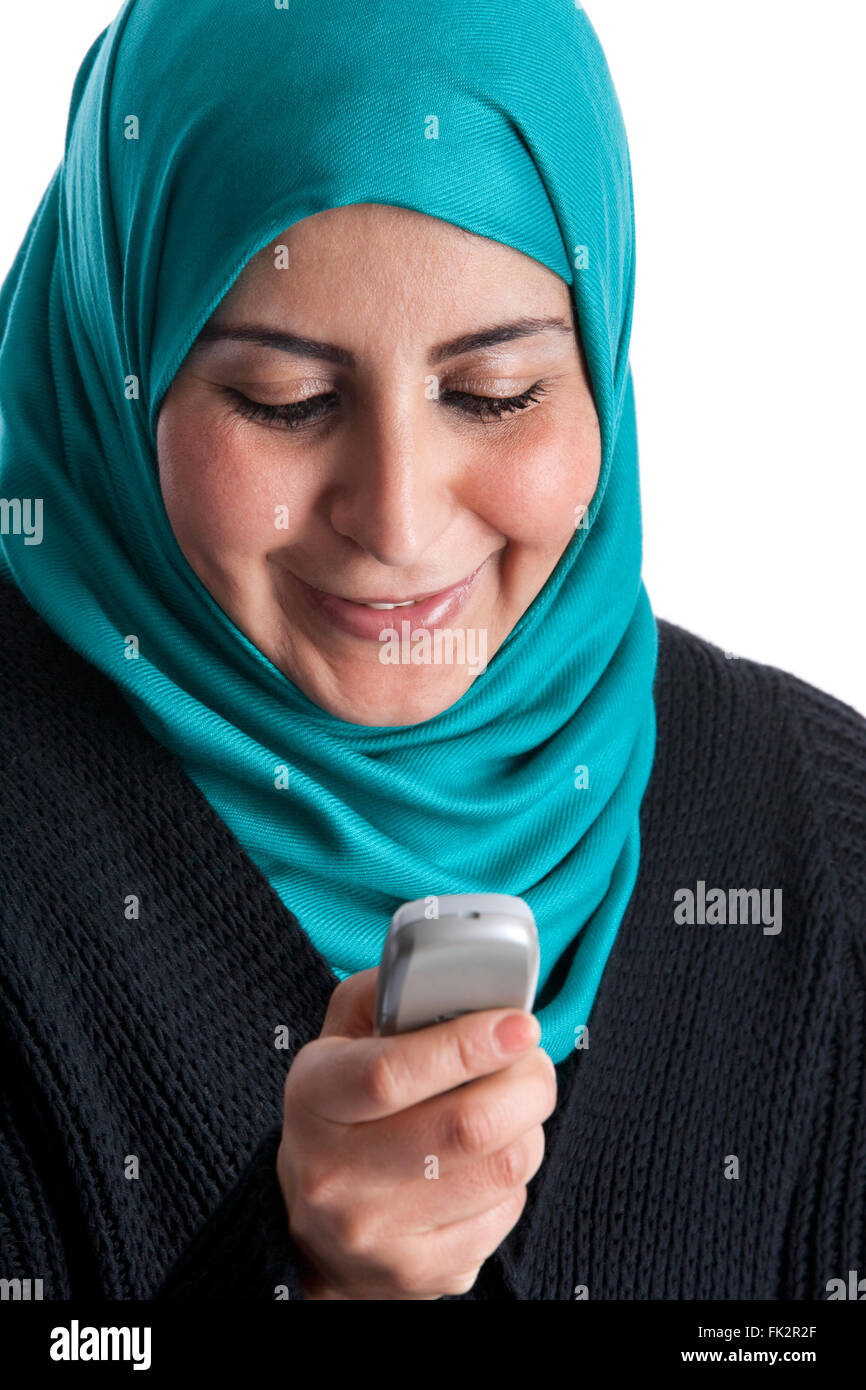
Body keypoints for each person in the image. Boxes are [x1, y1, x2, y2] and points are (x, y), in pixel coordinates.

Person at [1, 0, 863, 1303]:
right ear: (113, 356)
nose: (398, 523)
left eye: (493, 391)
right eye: (284, 401)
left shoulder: (819, 829)